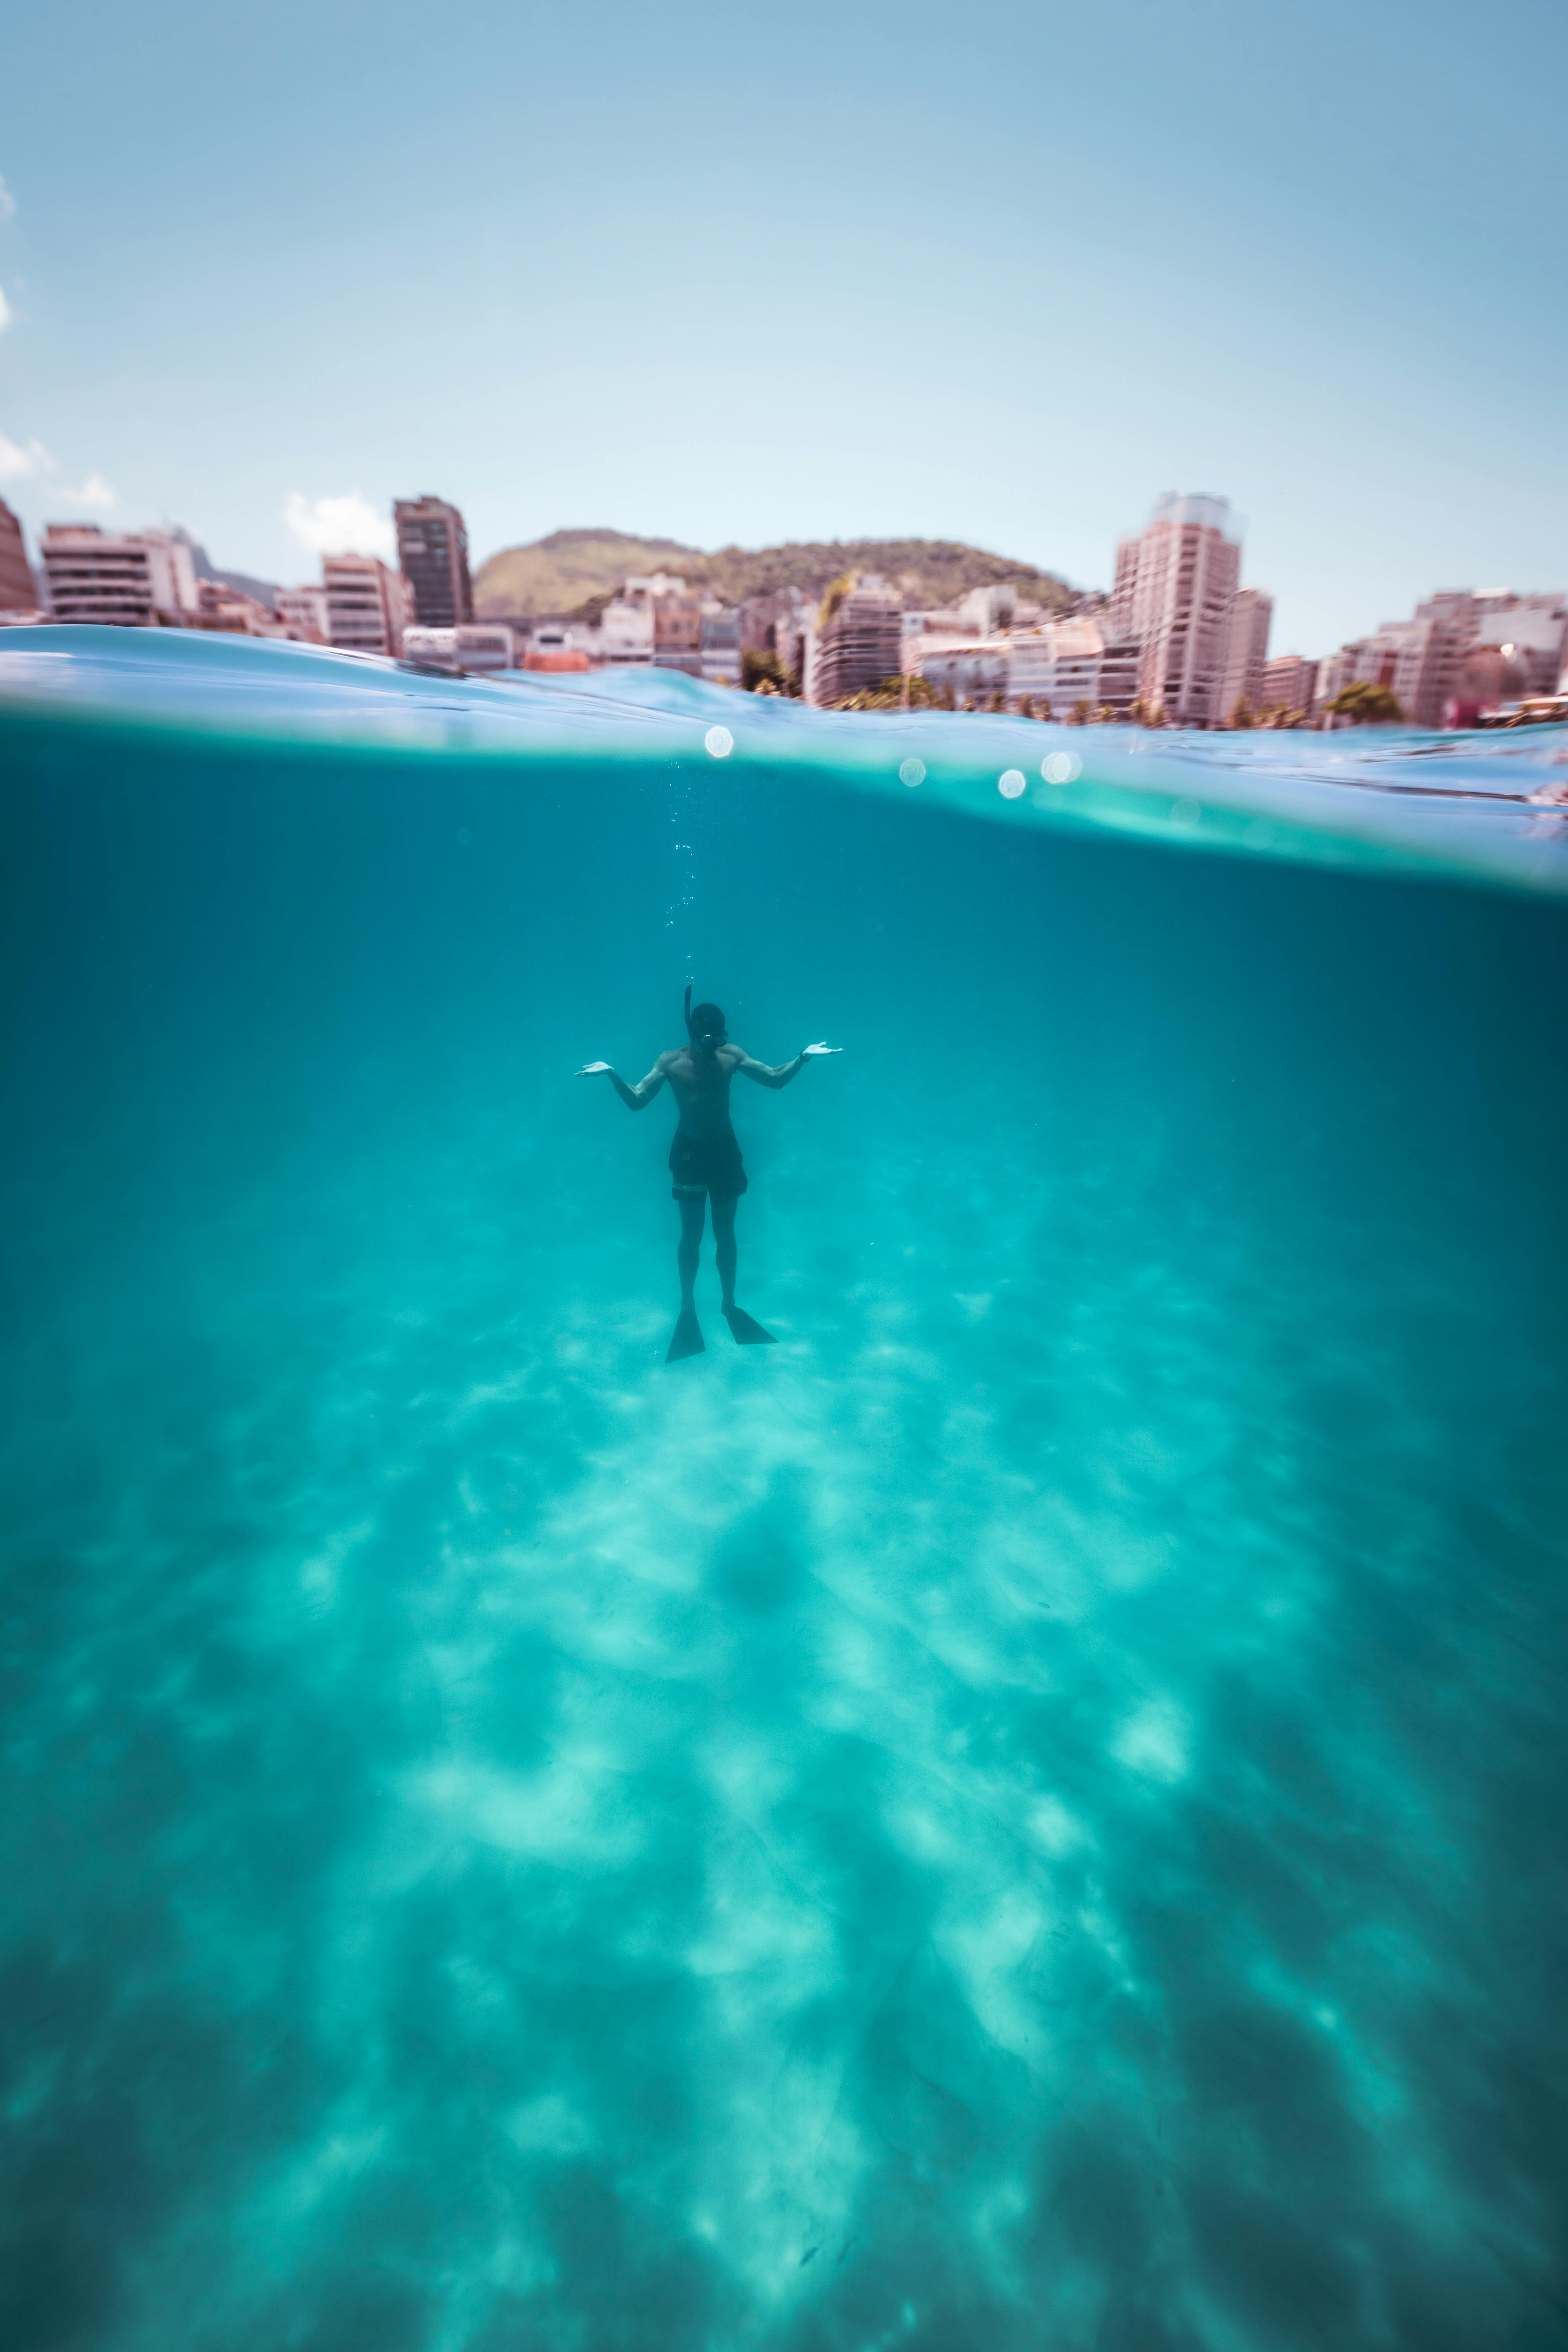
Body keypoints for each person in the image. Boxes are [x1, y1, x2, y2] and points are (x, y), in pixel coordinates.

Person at [577, 987, 841, 1361]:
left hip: (724, 1153)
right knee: (692, 1235)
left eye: (718, 1038)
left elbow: (776, 1078)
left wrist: (804, 1057)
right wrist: (611, 1074)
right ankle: (688, 1308)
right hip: (689, 1155)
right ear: (692, 1033)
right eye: (706, 1038)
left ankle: (729, 1304)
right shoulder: (670, 1062)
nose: (712, 1045)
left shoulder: (731, 1055)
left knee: (726, 1234)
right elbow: (638, 1100)